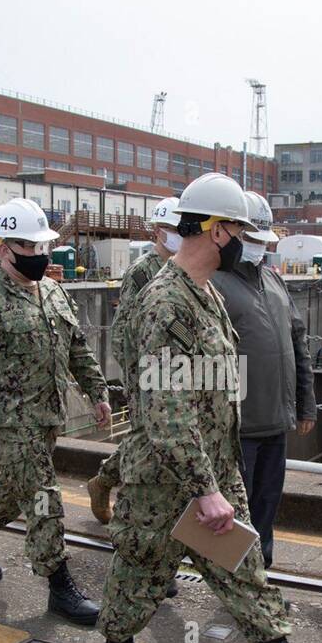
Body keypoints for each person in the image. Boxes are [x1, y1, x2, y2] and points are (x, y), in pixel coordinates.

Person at [95, 172, 322, 643]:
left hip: (213, 463)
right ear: (215, 231)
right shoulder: (167, 303)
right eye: (239, 229)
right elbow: (164, 411)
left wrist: (219, 476)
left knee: (240, 560)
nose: (246, 242)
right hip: (170, 474)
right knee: (142, 566)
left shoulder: (204, 292)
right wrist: (203, 488)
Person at [0, 198, 111, 626]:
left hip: (47, 415)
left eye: (41, 247)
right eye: (26, 247)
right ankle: (59, 585)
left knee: (14, 488)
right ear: (1, 247)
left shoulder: (53, 291)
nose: (37, 255)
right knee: (43, 496)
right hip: (10, 418)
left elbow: (77, 348)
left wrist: (97, 393)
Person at [210, 191, 316, 568]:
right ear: (233, 235)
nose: (258, 248)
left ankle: (260, 570)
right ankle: (237, 578)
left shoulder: (274, 283)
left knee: (266, 505)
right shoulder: (216, 285)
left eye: (262, 241)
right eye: (251, 239)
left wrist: (305, 403)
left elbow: (297, 343)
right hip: (239, 426)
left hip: (275, 421)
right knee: (236, 511)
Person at [86, 196, 181, 524]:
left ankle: (103, 482)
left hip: (177, 373)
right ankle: (114, 492)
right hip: (147, 374)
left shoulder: (186, 268)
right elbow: (124, 332)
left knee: (151, 441)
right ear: (157, 231)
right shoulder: (143, 272)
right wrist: (136, 380)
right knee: (146, 439)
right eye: (170, 228)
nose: (176, 234)